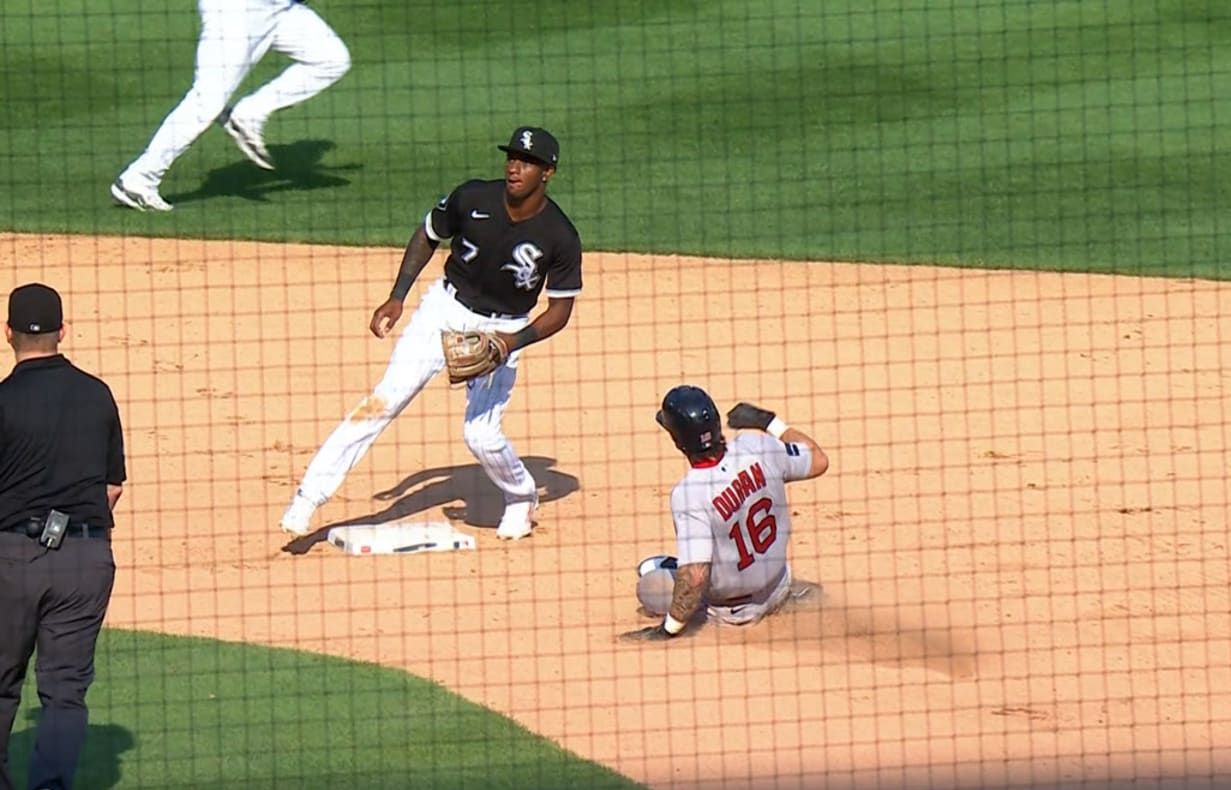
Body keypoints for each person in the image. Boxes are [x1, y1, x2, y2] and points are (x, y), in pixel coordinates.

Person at [280, 126, 582, 541]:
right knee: (383, 401)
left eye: (527, 162)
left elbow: (560, 310)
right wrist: (397, 296)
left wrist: (512, 342)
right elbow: (428, 234)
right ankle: (308, 497)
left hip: (504, 327)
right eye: (512, 157)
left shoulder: (560, 235)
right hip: (444, 309)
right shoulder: (473, 197)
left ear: (547, 172)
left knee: (480, 435)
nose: (515, 167)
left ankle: (519, 496)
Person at [0, 284, 126, 790]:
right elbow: (112, 486)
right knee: (65, 694)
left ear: (8, 335)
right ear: (62, 331)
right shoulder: (97, 395)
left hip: (12, 562)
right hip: (87, 559)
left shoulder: (3, 402)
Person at [624, 386, 829, 642]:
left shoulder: (690, 493)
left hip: (735, 612)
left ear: (678, 441)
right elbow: (818, 459)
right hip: (780, 586)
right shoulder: (757, 446)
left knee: (649, 582)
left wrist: (668, 630)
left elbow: (696, 576)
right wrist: (768, 422)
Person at [110, 0, 352, 212]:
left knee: (331, 58)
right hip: (239, 10)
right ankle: (139, 179)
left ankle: (249, 113)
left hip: (282, 9)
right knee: (207, 100)